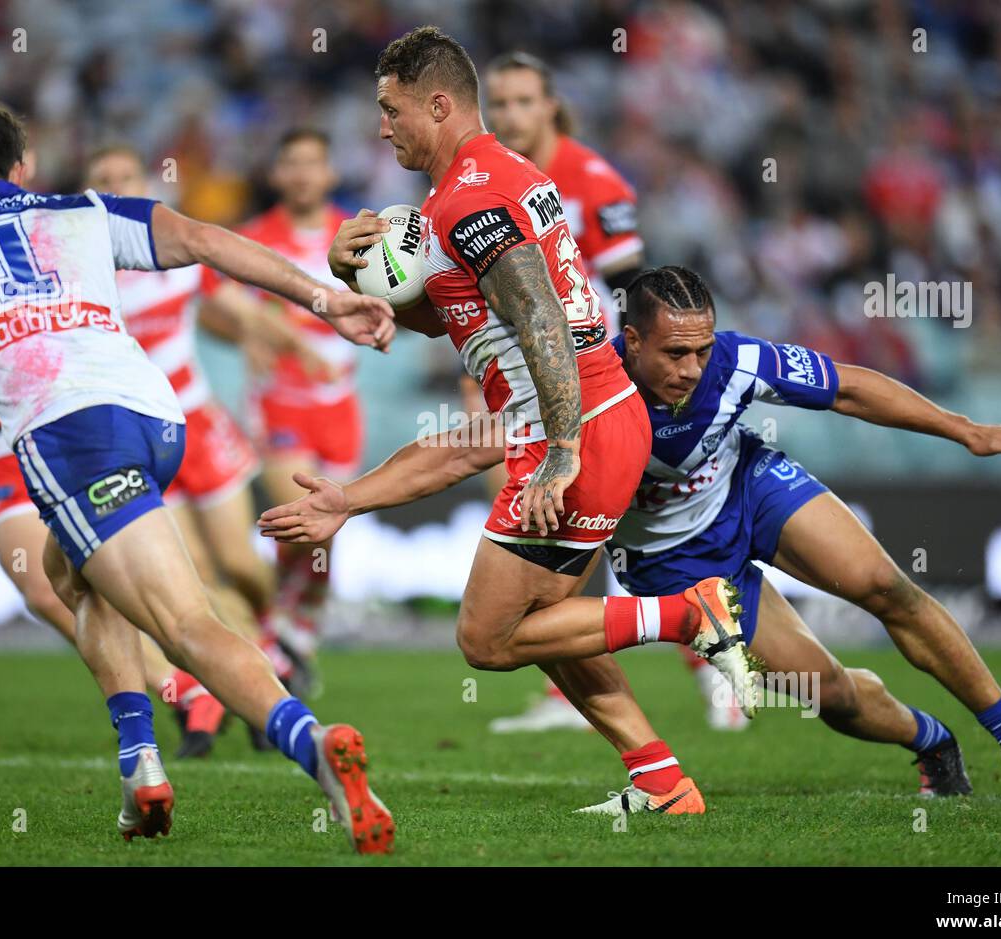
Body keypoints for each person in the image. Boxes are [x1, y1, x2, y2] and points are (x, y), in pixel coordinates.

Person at [263, 264, 1001, 809]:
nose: (693, 367)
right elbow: (461, 449)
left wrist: (963, 429)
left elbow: (849, 391)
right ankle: (930, 737)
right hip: (675, 558)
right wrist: (353, 499)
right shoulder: (583, 394)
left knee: (886, 588)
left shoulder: (736, 363)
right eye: (674, 352)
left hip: (752, 489)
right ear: (629, 342)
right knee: (826, 694)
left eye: (701, 348)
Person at [0, 99, 396, 853]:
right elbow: (201, 238)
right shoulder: (82, 210)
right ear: (22, 167)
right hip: (156, 417)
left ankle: (314, 748)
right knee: (71, 576)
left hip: (70, 438)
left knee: (185, 624)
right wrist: (324, 301)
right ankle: (140, 764)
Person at [293, 27, 754, 817]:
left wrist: (562, 450)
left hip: (574, 424)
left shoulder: (468, 199)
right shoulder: (490, 178)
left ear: (436, 104)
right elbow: (461, 318)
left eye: (390, 109)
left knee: (487, 639)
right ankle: (661, 781)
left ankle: (687, 613)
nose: (381, 127)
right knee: (549, 625)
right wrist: (358, 284)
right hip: (580, 416)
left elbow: (537, 309)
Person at [482, 50, 745, 733]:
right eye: (499, 102)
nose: (509, 115)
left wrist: (622, 382)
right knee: (553, 535)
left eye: (522, 101)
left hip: (593, 382)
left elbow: (633, 284)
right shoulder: (489, 179)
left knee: (604, 537)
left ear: (551, 107)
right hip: (534, 384)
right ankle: (682, 656)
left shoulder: (590, 179)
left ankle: (710, 660)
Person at [85, 143, 287, 754]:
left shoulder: (172, 252)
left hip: (198, 420)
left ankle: (272, 642)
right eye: (104, 180)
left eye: (127, 176)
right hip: (142, 431)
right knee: (197, 575)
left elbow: (237, 311)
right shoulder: (84, 272)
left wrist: (287, 343)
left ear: (145, 182)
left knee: (242, 563)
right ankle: (256, 686)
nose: (118, 188)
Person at [199, 129, 359, 681]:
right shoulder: (255, 239)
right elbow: (212, 312)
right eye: (290, 163)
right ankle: (282, 631)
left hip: (340, 404)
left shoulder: (355, 233)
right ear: (276, 175)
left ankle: (299, 626)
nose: (301, 174)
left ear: (330, 173)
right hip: (280, 405)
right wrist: (246, 334)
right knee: (300, 516)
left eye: (312, 163)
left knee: (326, 530)